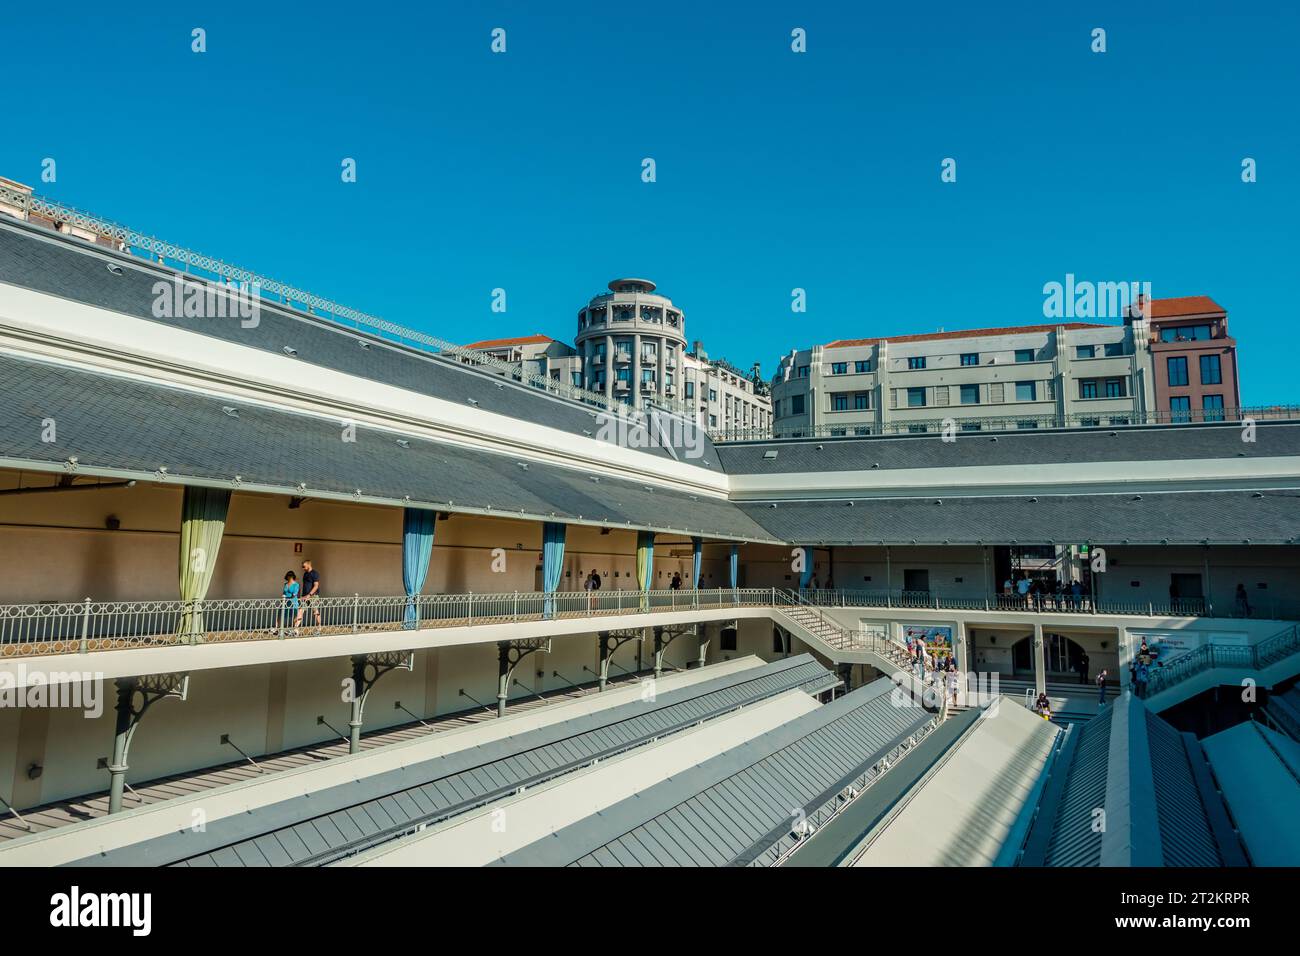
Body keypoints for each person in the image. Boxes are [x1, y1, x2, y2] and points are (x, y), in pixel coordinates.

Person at [295, 560, 322, 628]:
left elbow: (316, 586)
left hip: (313, 596)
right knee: (300, 611)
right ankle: (295, 629)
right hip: (304, 596)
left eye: (304, 566)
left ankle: (319, 627)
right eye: (302, 567)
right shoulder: (305, 574)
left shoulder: (315, 573)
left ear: (309, 565)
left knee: (315, 612)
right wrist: (302, 596)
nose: (303, 568)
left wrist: (309, 595)